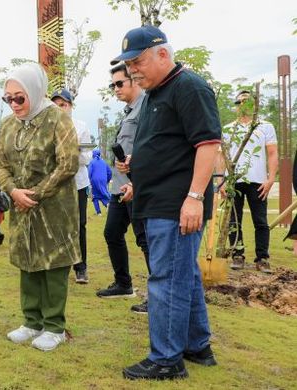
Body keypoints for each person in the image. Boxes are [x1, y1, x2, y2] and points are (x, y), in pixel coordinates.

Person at [112, 26, 220, 380]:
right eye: (129, 65)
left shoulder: (189, 86)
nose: (133, 71)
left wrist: (194, 198)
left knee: (166, 280)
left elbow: (207, 145)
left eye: (138, 61)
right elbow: (166, 148)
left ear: (162, 54)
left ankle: (166, 359)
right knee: (182, 276)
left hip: (176, 205)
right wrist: (135, 170)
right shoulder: (157, 92)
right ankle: (196, 346)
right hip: (157, 199)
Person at [0, 63, 80, 352]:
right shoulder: (7, 124)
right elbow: (0, 166)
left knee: (53, 263)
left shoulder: (57, 119)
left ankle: (54, 326)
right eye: (9, 98)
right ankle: (31, 321)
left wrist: (36, 193)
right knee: (27, 262)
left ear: (35, 90)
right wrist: (13, 192)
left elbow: (68, 163)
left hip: (55, 207)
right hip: (21, 206)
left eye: (20, 97)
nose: (14, 104)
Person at [95, 63, 150, 315]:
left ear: (135, 81)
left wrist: (136, 176)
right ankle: (123, 283)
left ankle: (157, 295)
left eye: (119, 83)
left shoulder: (147, 108)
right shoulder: (130, 111)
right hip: (119, 187)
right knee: (112, 233)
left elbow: (149, 147)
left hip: (136, 186)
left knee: (146, 240)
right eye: (112, 85)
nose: (115, 89)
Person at [222, 90, 278, 273]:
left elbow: (272, 153)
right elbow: (223, 156)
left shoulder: (265, 126)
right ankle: (237, 255)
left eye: (247, 102)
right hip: (234, 180)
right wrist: (222, 181)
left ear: (254, 105)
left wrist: (270, 179)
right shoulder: (229, 128)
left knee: (260, 221)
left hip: (258, 181)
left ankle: (262, 258)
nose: (243, 106)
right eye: (240, 103)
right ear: (236, 106)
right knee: (234, 220)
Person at [51, 88, 92, 284]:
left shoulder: (81, 127)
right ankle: (59, 266)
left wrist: (71, 150)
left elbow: (87, 157)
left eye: (63, 105)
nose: (60, 109)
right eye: (56, 105)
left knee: (79, 225)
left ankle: (80, 266)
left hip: (78, 183)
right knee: (58, 224)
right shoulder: (47, 126)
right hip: (56, 184)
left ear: (70, 106)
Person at [88, 149, 112, 215]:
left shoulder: (92, 162)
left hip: (94, 180)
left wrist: (89, 180)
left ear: (93, 154)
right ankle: (107, 204)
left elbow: (89, 172)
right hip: (103, 180)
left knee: (95, 196)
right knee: (102, 194)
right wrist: (107, 180)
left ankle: (99, 212)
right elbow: (110, 172)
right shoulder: (104, 162)